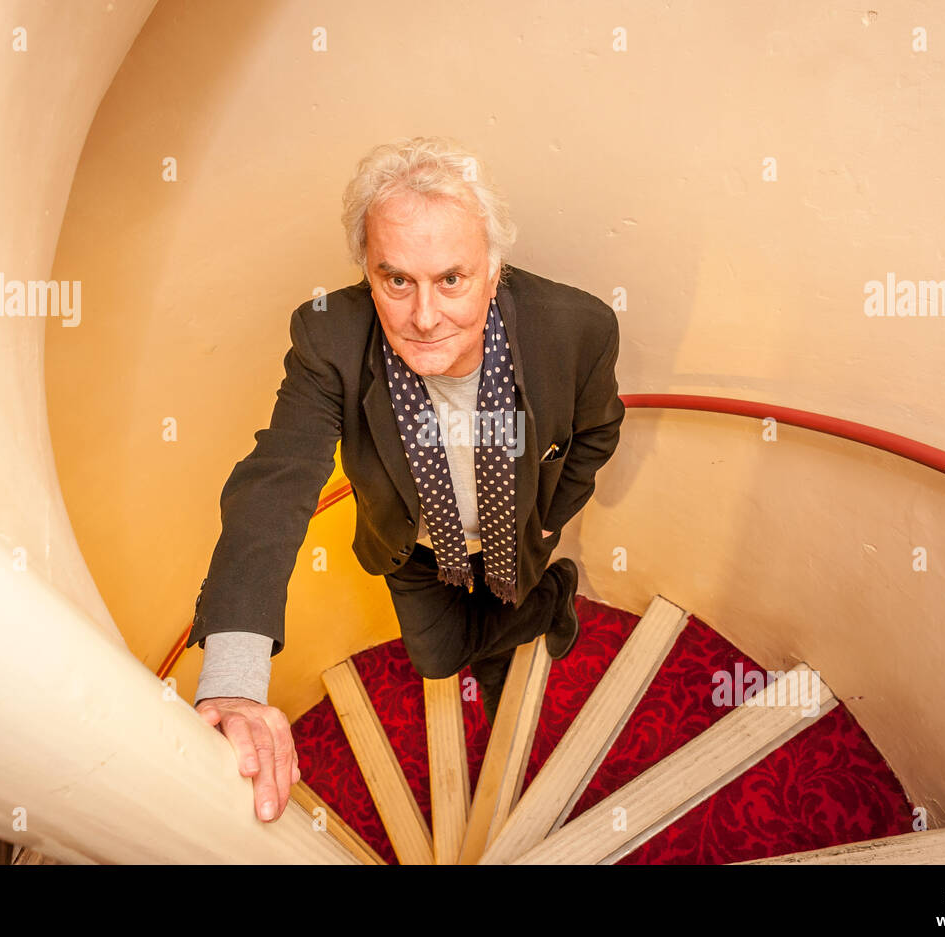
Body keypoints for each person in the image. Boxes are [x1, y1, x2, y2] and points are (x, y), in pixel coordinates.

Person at [189, 136, 624, 825]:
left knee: (505, 622)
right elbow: (274, 481)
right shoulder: (327, 336)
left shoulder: (579, 328)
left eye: (451, 278)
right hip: (416, 551)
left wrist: (550, 517)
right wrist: (236, 676)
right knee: (437, 654)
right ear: (369, 272)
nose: (424, 317)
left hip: (521, 535)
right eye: (397, 280)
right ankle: (527, 618)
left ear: (493, 269)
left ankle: (542, 602)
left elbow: (598, 433)